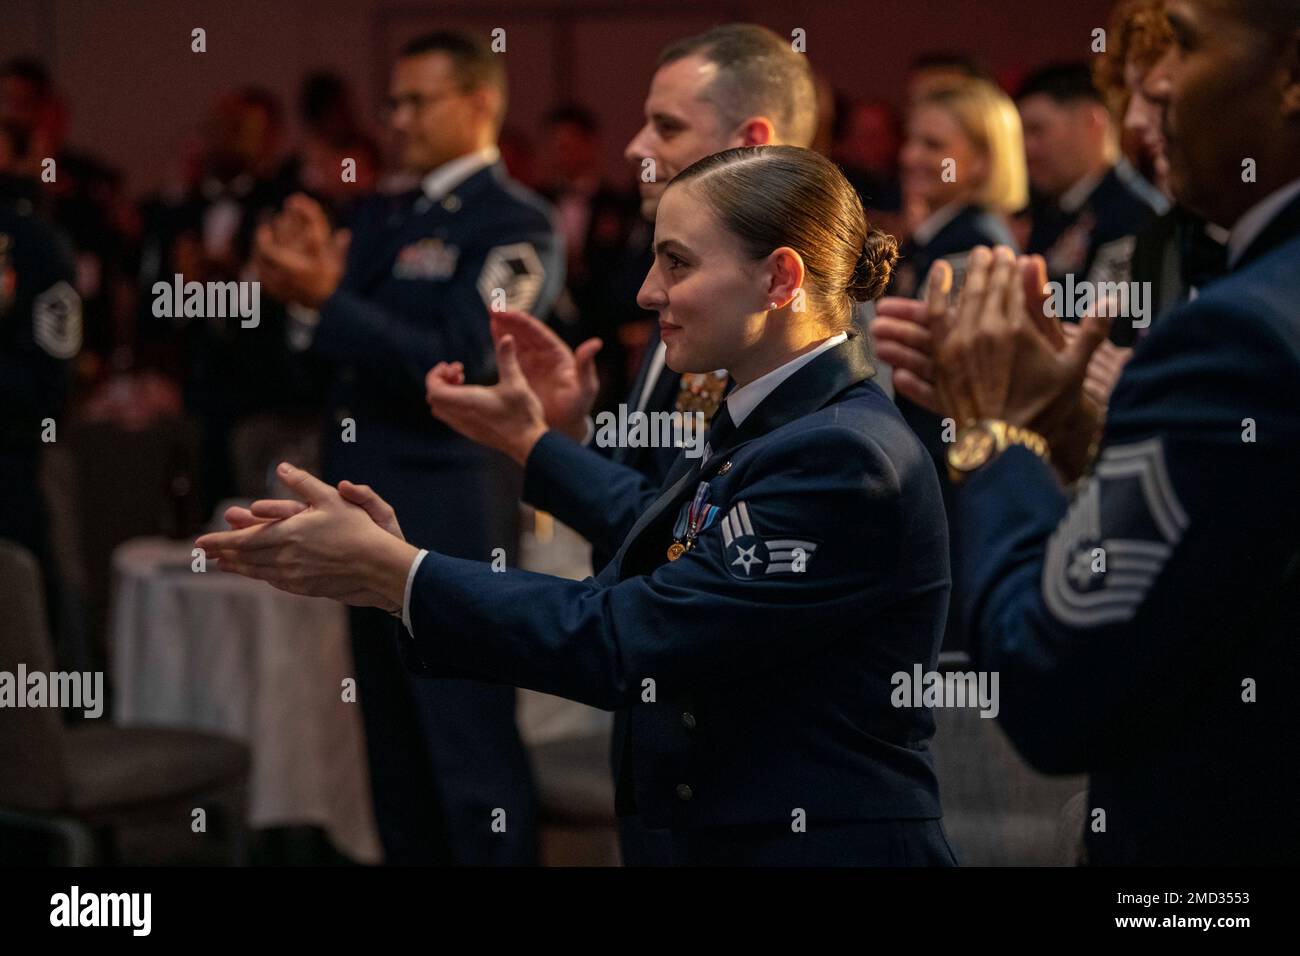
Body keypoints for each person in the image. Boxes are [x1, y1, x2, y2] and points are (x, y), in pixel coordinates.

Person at [198, 145, 958, 867]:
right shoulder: (773, 417)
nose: (646, 291)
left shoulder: (842, 454)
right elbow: (659, 537)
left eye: (678, 263)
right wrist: (528, 446)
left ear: (779, 279)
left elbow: (631, 638)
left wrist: (401, 576)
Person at [871, 0, 1300, 864]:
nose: (1146, 100)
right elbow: (1229, 554)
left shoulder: (1240, 332)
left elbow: (1054, 684)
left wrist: (996, 432)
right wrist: (1081, 442)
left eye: (1181, 43)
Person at [253, 31, 563, 866]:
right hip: (367, 510)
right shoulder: (387, 214)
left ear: (479, 104)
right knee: (394, 756)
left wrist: (331, 301)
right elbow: (326, 360)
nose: (396, 119)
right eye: (391, 101)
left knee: (467, 749)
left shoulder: (517, 224)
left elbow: (458, 358)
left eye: (416, 100)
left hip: (454, 518)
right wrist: (301, 296)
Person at [494, 23, 819, 572]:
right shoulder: (690, 274)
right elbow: (656, 481)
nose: (635, 147)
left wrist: (534, 445)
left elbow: (697, 538)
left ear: (751, 143)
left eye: (666, 127)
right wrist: (569, 434)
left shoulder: (806, 313)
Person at [886, 77, 1027, 653]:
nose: (911, 157)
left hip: (950, 479)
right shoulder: (937, 239)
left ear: (981, 161)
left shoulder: (974, 246)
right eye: (911, 140)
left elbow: (965, 384)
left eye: (934, 146)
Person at [1018, 62, 1167, 285]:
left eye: (1038, 130)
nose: (1026, 148)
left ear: (1092, 121)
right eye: (1021, 134)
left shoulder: (1133, 213)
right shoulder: (1050, 210)